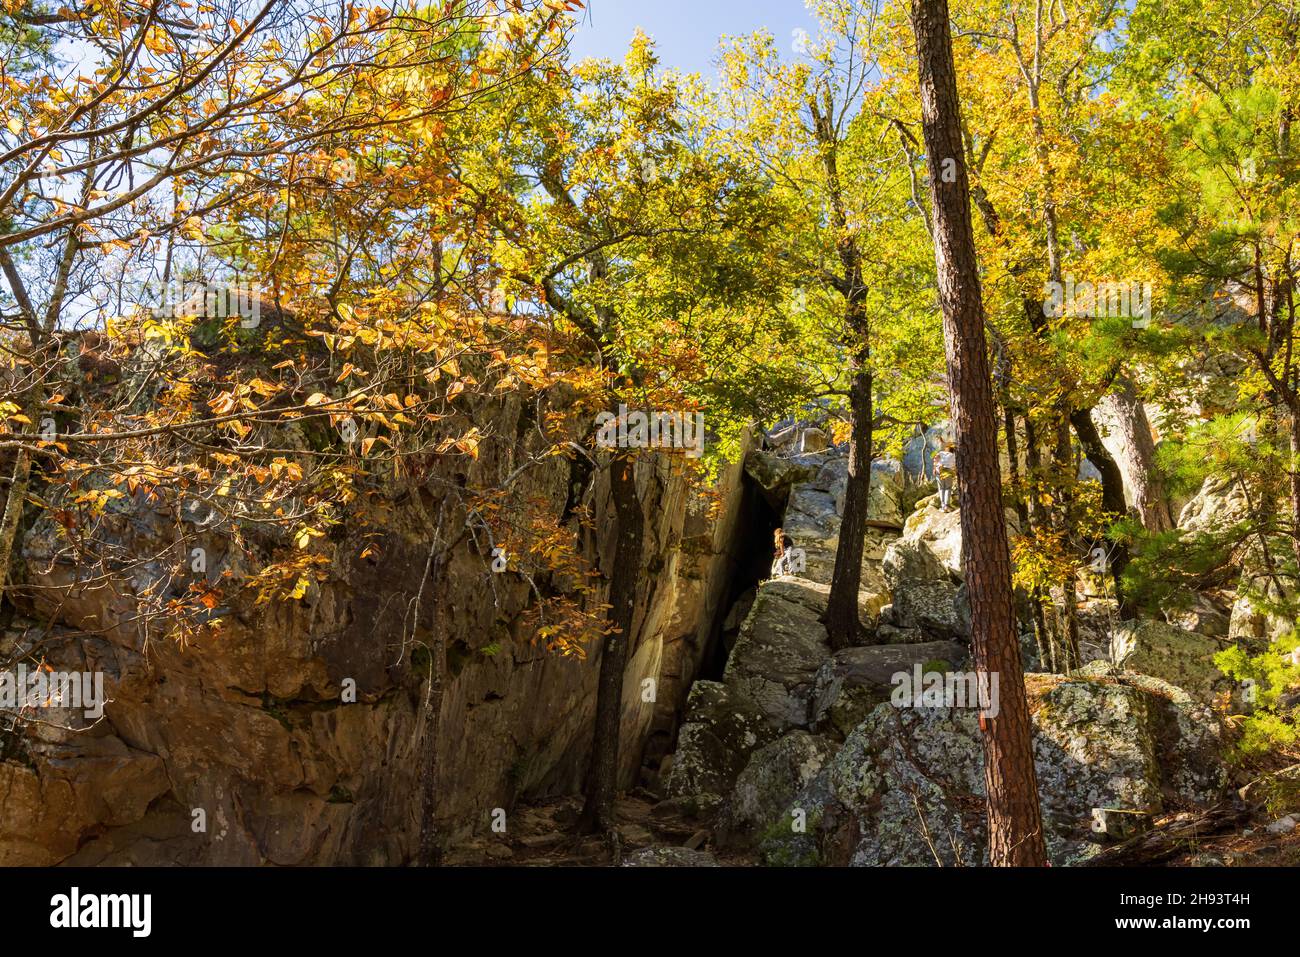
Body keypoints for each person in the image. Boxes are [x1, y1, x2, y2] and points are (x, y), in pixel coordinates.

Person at [933, 442, 957, 511]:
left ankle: (943, 506)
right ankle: (947, 505)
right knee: (948, 488)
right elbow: (954, 466)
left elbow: (935, 459)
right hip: (947, 472)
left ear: (947, 448)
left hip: (939, 471)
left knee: (941, 488)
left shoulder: (941, 453)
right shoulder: (953, 456)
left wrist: (934, 468)